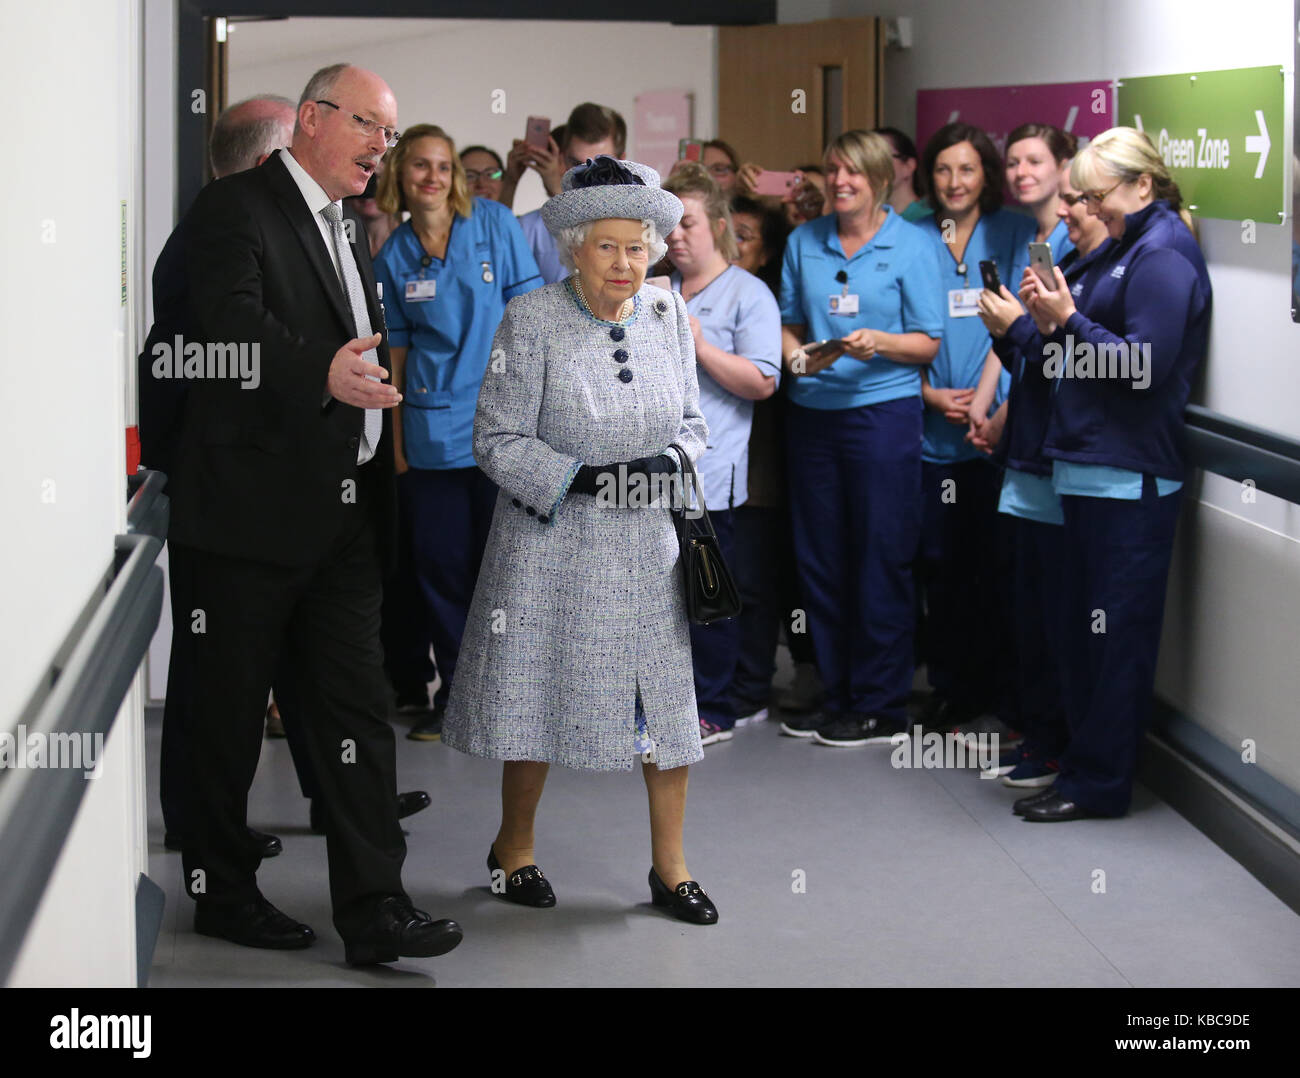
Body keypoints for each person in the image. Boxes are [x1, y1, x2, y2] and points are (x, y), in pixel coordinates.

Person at [170, 62, 461, 963]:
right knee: (222, 720)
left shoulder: (350, 229)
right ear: (311, 119)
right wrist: (315, 373)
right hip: (249, 527)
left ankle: (376, 910)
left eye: (390, 129)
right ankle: (223, 895)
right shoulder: (235, 210)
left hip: (342, 524)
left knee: (355, 719)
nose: (385, 145)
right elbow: (212, 338)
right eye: (370, 125)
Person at [442, 156, 718, 925]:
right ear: (574, 247)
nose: (625, 263)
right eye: (607, 246)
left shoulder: (669, 317)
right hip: (549, 546)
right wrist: (583, 479)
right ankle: (514, 851)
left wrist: (668, 461)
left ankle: (672, 870)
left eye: (637, 246)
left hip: (647, 547)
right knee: (532, 696)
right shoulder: (530, 321)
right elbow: (494, 439)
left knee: (666, 709)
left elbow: (696, 427)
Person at [1010, 126, 1210, 821]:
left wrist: (1067, 321)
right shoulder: (1128, 248)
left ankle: (1099, 787)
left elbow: (1143, 368)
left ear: (1143, 185)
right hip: (1088, 471)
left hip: (1132, 477)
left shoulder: (1163, 255)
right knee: (1081, 637)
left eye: (1097, 195)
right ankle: (1080, 771)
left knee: (1113, 641)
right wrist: (1046, 326)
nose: (1087, 209)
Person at [146, 95, 296, 862]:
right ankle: (205, 830)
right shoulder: (223, 228)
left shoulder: (216, 221)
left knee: (226, 668)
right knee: (213, 673)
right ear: (271, 162)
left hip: (216, 476)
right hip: (214, 481)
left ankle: (213, 822)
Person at [372, 123, 543, 740]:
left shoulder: (495, 225)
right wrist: (394, 450)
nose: (434, 177)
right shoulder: (393, 257)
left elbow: (530, 321)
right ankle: (460, 698)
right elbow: (393, 360)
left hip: (504, 428)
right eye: (421, 165)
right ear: (401, 175)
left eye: (443, 166)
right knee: (441, 573)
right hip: (430, 438)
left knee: (505, 570)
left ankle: (513, 698)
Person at [776, 129, 942, 747]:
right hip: (814, 415)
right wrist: (797, 360)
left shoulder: (915, 245)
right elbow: (790, 325)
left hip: (881, 417)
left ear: (878, 180)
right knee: (821, 559)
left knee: (879, 557)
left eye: (854, 173)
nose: (841, 182)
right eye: (833, 171)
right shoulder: (803, 241)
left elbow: (928, 339)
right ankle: (837, 692)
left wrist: (881, 340)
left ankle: (881, 704)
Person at [975, 169, 1110, 792]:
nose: (1070, 213)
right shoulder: (1071, 273)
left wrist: (1021, 328)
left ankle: (1059, 745)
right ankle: (1038, 736)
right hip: (1029, 459)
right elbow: (1033, 363)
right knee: (1026, 612)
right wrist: (1010, 333)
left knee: (1061, 620)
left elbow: (1073, 364)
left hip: (1064, 465)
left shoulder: (1102, 282)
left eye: (1080, 203)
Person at [913, 122, 1036, 743]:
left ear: (985, 174)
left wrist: (989, 406)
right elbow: (894, 327)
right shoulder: (910, 235)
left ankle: (994, 696)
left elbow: (1013, 320)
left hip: (993, 435)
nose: (955, 182)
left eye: (967, 169)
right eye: (943, 169)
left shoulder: (1016, 231)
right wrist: (928, 394)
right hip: (930, 433)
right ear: (929, 176)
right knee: (940, 567)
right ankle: (950, 691)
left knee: (993, 571)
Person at [662, 164, 781, 745]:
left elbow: (761, 381)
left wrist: (699, 344)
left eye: (687, 223)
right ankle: (668, 703)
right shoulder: (653, 288)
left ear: (717, 225)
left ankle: (715, 704)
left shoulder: (747, 294)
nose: (676, 236)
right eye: (666, 226)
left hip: (713, 477)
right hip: (651, 478)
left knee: (710, 595)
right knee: (661, 599)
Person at [725, 196, 822, 719]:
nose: (732, 246)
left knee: (760, 580)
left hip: (766, 459)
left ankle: (752, 686)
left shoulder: (763, 299)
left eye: (744, 236)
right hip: (711, 462)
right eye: (727, 232)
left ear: (767, 254)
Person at [507, 103, 627, 283]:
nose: (587, 176)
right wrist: (511, 180)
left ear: (621, 161)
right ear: (561, 157)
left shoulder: (639, 227)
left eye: (600, 165)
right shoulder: (530, 227)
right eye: (576, 163)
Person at [1004, 123, 1077, 246]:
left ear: (1062, 167)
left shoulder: (1074, 236)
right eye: (1012, 164)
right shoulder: (1023, 236)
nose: (1020, 172)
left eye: (1034, 162)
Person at [874, 127, 931, 222]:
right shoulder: (866, 219)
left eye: (882, 157)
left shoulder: (931, 218)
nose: (872, 165)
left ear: (909, 166)